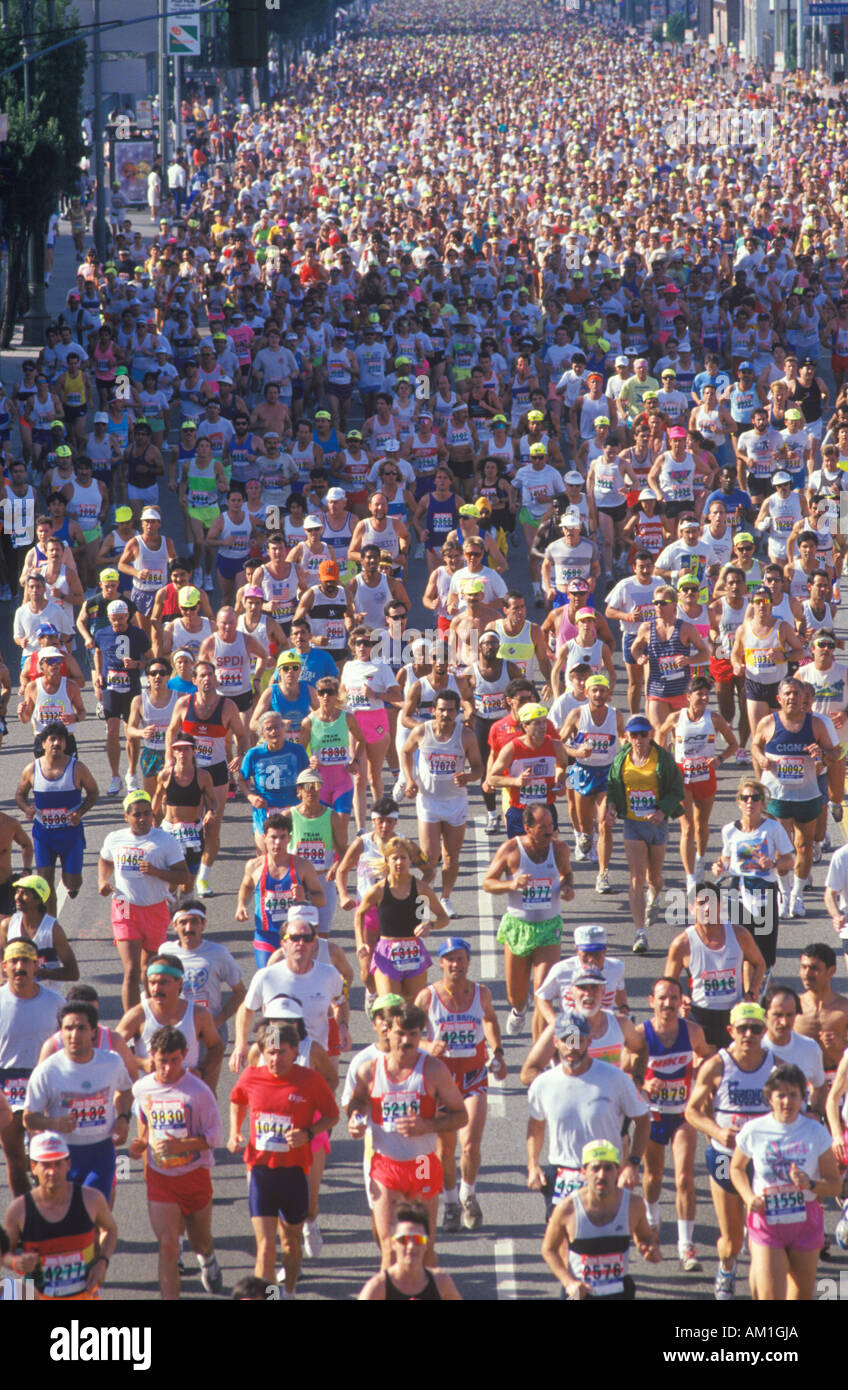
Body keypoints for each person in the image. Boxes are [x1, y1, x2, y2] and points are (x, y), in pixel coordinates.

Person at [346, 1000, 467, 1266]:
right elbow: (356, 1104)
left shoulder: (434, 1070)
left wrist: (428, 1126)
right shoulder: (369, 1070)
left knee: (424, 1249)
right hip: (385, 1165)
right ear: (387, 1031)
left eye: (414, 1034)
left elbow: (462, 1115)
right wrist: (354, 1121)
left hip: (423, 1163)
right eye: (401, 1033)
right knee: (389, 1250)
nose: (407, 1041)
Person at [228, 1017, 339, 1299]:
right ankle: (268, 1298)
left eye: (281, 1052)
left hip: (294, 1172)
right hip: (261, 1172)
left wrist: (309, 1133)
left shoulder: (310, 1080)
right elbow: (237, 1100)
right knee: (265, 1246)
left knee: (290, 1245)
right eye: (270, 1052)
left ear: (294, 1052)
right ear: (262, 1052)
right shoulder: (252, 1076)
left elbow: (332, 1115)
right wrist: (234, 1133)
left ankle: (287, 1292)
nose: (275, 1058)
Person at [685, 1001, 776, 1300]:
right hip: (725, 1156)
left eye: (755, 1029)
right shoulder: (717, 1064)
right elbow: (692, 1112)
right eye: (742, 1029)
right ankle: (726, 1266)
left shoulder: (776, 1065)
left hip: (763, 1159)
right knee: (732, 1238)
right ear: (730, 1031)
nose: (748, 1034)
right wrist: (719, 1132)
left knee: (766, 1235)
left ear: (764, 1031)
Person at [526, 1008, 650, 1223]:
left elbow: (643, 1120)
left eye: (579, 1040)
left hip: (604, 1172)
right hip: (563, 1173)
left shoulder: (615, 1079)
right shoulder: (543, 1084)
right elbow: (535, 1126)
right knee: (562, 1242)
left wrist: (633, 1163)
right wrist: (533, 1165)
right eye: (567, 1039)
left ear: (589, 1041)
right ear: (555, 1042)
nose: (573, 1047)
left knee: (604, 1242)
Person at [416, 938, 506, 1233]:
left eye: (461, 959)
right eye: (450, 959)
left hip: (472, 1076)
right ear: (440, 963)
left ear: (469, 961)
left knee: (470, 1145)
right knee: (445, 1150)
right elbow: (407, 1036)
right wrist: (428, 1045)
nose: (456, 965)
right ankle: (451, 1202)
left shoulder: (481, 993)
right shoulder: (427, 997)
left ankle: (468, 1194)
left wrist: (498, 1052)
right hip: (441, 1080)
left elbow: (490, 1019)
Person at [130, 1023, 224, 1299]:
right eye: (162, 1061)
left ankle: (207, 1259)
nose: (168, 1068)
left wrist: (180, 1145)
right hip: (161, 1180)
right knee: (169, 1245)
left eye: (174, 1061)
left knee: (200, 1240)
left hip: (194, 1175)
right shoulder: (142, 1088)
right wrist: (141, 1143)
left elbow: (214, 1138)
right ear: (151, 1056)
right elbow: (147, 1123)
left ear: (184, 1055)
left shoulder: (198, 1092)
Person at [625, 976, 713, 1271]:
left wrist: (699, 1076)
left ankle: (686, 1246)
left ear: (680, 1001)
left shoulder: (693, 1032)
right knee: (653, 1177)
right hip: (651, 1115)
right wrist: (644, 1085)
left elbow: (709, 1060)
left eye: (673, 997)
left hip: (682, 1115)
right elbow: (623, 1074)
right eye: (662, 998)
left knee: (685, 1178)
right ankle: (651, 1220)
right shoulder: (640, 1035)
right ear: (651, 1001)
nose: (668, 1003)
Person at [732, 1062, 839, 1301]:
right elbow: (736, 1169)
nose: (787, 1102)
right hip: (767, 1220)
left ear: (803, 1097)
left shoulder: (815, 1132)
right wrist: (749, 1197)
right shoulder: (754, 1130)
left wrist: (810, 1184)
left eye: (794, 1095)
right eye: (781, 1095)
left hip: (805, 1221)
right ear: (769, 1097)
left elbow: (835, 1185)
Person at [24, 1000, 133, 1201]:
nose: (74, 1035)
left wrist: (124, 1117)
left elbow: (126, 1091)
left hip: (101, 1151)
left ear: (93, 1032)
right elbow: (29, 1118)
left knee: (92, 1209)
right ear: (61, 1032)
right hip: (62, 1153)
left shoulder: (111, 1062)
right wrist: (54, 1123)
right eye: (68, 1028)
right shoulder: (47, 1071)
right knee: (67, 1216)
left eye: (81, 1028)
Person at [751, 675, 840, 918]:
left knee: (804, 847)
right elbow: (755, 745)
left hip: (807, 795)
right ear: (779, 699)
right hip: (778, 796)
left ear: (804, 699)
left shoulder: (816, 725)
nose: (792, 698)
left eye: (796, 694)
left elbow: (835, 753)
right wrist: (759, 757)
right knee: (782, 849)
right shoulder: (768, 723)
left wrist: (822, 753)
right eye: (787, 694)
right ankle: (784, 892)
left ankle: (797, 896)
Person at [482, 804, 574, 1038]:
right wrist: (511, 884)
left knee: (543, 992)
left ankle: (538, 1054)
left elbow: (567, 873)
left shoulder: (559, 848)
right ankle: (518, 1010)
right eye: (543, 827)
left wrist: (567, 886)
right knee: (517, 996)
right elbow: (488, 883)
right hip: (518, 927)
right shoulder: (511, 850)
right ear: (527, 828)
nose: (549, 831)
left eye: (551, 825)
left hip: (549, 927)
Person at [98, 790, 188, 1010]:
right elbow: (105, 859)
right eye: (137, 814)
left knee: (149, 969)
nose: (143, 819)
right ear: (126, 817)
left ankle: (150, 1015)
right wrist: (102, 880)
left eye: (147, 813)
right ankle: (131, 1027)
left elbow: (183, 876)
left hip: (155, 909)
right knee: (131, 971)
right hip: (125, 907)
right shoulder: (115, 838)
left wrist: (157, 872)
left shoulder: (165, 841)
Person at [2, 1129, 117, 1300]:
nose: (52, 1171)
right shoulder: (19, 1210)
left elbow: (111, 1229)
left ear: (68, 1164)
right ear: (33, 1167)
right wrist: (15, 1262)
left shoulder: (91, 1199)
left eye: (58, 1163)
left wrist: (102, 1262)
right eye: (46, 1165)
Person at [167, 658, 248, 896]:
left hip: (215, 771)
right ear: (194, 680)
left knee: (212, 827)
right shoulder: (184, 704)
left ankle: (203, 877)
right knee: (185, 824)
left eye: (210, 675)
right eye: (201, 675)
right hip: (189, 771)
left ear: (216, 678)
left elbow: (242, 736)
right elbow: (171, 731)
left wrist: (240, 755)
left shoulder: (228, 706)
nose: (206, 679)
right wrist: (168, 761)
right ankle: (181, 872)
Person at [605, 713, 685, 953]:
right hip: (633, 823)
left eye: (643, 734)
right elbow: (612, 785)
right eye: (634, 735)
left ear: (650, 735)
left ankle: (654, 896)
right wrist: (610, 808)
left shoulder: (663, 759)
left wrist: (662, 810)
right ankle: (640, 933)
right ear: (627, 737)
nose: (639, 739)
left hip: (657, 824)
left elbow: (677, 790)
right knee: (636, 876)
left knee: (655, 877)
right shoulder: (622, 759)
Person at [541, 1139, 661, 1300]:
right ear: (584, 1172)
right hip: (582, 1293)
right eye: (595, 1168)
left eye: (608, 1168)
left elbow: (645, 1238)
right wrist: (568, 1282)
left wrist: (651, 1249)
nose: (602, 1175)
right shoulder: (567, 1209)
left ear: (617, 1171)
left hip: (620, 1293)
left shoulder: (633, 1205)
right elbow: (548, 1249)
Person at [231, 907, 350, 1067]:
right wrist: (240, 1043)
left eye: (307, 938)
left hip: (314, 1057)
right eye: (294, 938)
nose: (301, 943)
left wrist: (343, 1027)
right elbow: (246, 1009)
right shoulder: (267, 976)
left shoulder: (329, 974)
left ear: (313, 942)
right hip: (276, 1059)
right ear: (283, 943)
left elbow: (341, 1003)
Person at [401, 689, 482, 916]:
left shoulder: (465, 736)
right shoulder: (421, 731)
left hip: (456, 803)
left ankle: (445, 898)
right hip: (428, 801)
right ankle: (423, 901)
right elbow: (406, 752)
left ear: (457, 712)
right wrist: (409, 779)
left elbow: (478, 768)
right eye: (442, 709)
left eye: (450, 710)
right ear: (433, 710)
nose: (445, 714)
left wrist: (467, 777)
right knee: (429, 858)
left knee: (451, 858)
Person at [712, 776, 795, 980]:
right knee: (739, 941)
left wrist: (774, 864)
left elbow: (789, 860)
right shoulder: (729, 830)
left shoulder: (773, 829)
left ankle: (763, 981)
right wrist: (720, 865)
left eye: (755, 798)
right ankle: (744, 989)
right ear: (739, 801)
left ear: (762, 802)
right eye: (745, 798)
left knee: (764, 946)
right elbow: (726, 857)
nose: (750, 802)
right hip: (737, 889)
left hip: (763, 890)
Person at [664, 882, 766, 1048]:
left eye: (711, 902)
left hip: (734, 1015)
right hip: (699, 1017)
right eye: (701, 903)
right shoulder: (682, 944)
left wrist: (751, 994)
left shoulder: (739, 935)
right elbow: (668, 984)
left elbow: (759, 964)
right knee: (704, 1068)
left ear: (721, 905)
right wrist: (681, 997)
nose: (706, 908)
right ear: (691, 908)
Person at [0, 940, 65, 1195]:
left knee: (44, 1157)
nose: (19, 966)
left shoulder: (56, 1002)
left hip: (42, 1082)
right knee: (15, 1160)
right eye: (13, 961)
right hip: (5, 1083)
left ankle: (49, 1216)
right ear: (4, 966)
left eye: (25, 960)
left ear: (36, 964)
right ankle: (26, 1218)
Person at [14, 722, 98, 913]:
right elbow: (19, 795)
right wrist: (27, 808)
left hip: (70, 835)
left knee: (73, 880)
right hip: (44, 835)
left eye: (60, 739)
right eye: (52, 739)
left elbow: (93, 793)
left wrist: (80, 812)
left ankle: (72, 885)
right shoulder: (32, 769)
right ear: (43, 743)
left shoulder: (77, 768)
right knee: (44, 883)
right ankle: (51, 926)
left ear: (66, 744)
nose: (56, 743)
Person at [355, 836, 449, 1002]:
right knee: (391, 1006)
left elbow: (443, 918)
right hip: (386, 953)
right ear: (387, 860)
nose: (399, 862)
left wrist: (430, 925)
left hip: (414, 952)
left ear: (410, 860)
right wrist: (360, 942)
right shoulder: (378, 890)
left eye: (403, 857)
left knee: (414, 1009)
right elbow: (359, 913)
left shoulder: (421, 888)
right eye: (394, 858)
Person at [118, 952, 223, 1094]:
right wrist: (140, 1063)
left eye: (163, 982)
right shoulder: (137, 1015)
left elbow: (216, 1047)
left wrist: (202, 1071)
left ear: (179, 983)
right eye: (152, 983)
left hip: (187, 1095)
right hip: (150, 1098)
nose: (156, 989)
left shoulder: (198, 1015)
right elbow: (112, 1046)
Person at [235, 812, 327, 968]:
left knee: (296, 981)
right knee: (267, 978)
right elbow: (247, 886)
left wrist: (306, 897)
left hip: (296, 937)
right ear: (264, 838)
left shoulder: (302, 866)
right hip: (266, 935)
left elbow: (322, 899)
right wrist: (241, 905)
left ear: (289, 838)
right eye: (273, 837)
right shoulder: (254, 866)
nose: (277, 843)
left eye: (283, 837)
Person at [167, 900, 246, 1068]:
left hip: (209, 1031)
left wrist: (217, 1021)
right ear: (175, 925)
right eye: (183, 922)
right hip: (176, 1030)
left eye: (194, 921)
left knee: (206, 1088)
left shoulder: (218, 953)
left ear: (203, 924)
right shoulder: (166, 952)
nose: (189, 928)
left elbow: (240, 992)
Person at [93, 598, 153, 795]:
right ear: (108, 618)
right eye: (113, 619)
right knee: (111, 732)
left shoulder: (138, 634)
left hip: (131, 688)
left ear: (127, 616)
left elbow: (151, 659)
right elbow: (97, 652)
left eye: (120, 619)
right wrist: (97, 676)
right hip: (111, 687)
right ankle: (114, 776)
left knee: (131, 733)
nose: (117, 623)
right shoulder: (102, 633)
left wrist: (136, 665)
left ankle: (131, 773)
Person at [357, 1201, 462, 1300]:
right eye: (404, 1239)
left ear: (426, 1244)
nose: (411, 1245)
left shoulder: (441, 1282)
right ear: (393, 1244)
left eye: (418, 1239)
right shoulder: (377, 1287)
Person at [238, 711, 310, 852]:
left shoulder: (297, 751)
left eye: (277, 727)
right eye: (268, 729)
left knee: (294, 854)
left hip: (292, 807)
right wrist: (251, 796)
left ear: (284, 729)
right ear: (262, 734)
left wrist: (305, 795)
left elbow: (306, 777)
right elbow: (241, 779)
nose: (274, 732)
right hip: (265, 809)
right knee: (265, 854)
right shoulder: (254, 754)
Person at [0, 875, 78, 981]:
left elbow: (72, 973)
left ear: (38, 900)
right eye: (17, 891)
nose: (18, 897)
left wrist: (38, 972)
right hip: (17, 994)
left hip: (46, 994)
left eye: (25, 893)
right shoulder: (7, 926)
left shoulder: (53, 930)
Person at [794, 941, 848, 1089]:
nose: (807, 974)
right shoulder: (792, 1008)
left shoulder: (844, 1010)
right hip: (801, 1082)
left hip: (839, 1081)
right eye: (803, 967)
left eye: (814, 968)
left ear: (831, 971)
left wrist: (842, 1046)